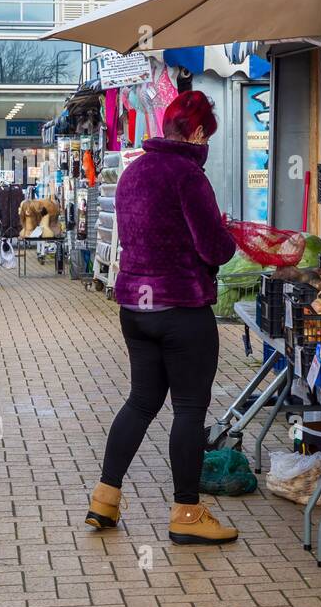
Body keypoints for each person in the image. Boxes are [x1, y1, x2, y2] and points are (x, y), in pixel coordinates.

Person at [87, 90, 239, 545]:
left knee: (141, 401)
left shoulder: (134, 173)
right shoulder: (188, 176)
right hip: (182, 310)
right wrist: (226, 235)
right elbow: (213, 248)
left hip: (136, 308)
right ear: (195, 133)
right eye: (206, 136)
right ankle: (187, 513)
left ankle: (105, 497)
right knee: (190, 409)